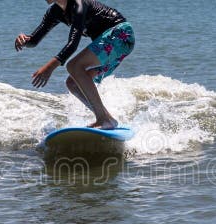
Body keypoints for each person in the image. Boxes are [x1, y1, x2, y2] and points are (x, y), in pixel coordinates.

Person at [15, 0, 135, 130]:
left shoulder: (79, 5)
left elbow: (73, 43)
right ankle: (107, 118)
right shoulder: (54, 12)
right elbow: (34, 40)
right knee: (72, 83)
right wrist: (24, 40)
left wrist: (50, 68)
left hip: (121, 35)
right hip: (115, 42)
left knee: (74, 66)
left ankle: (103, 119)